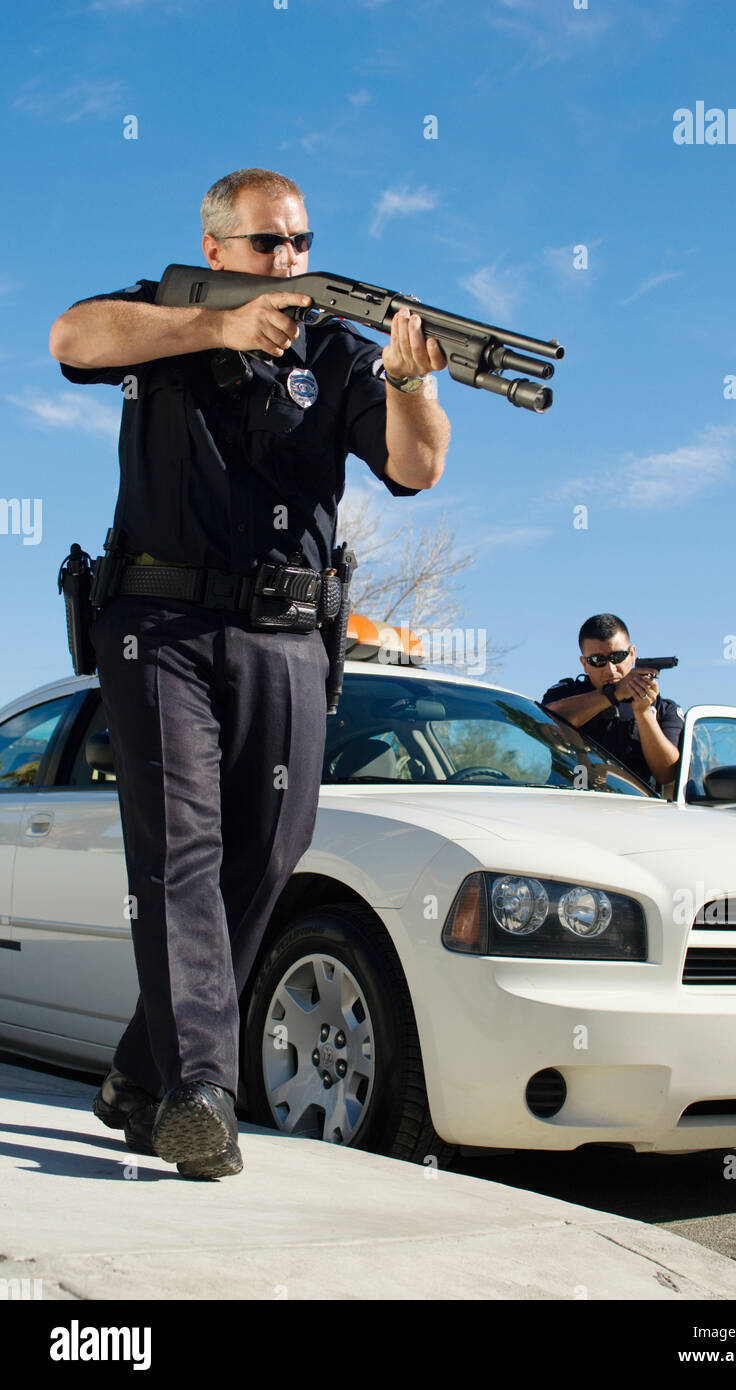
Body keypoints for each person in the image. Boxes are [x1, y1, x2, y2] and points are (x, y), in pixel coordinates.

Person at [48, 167, 450, 1179]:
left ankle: (144, 1068)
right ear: (217, 251)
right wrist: (218, 332)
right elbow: (72, 338)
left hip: (285, 635)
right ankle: (199, 1096)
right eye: (268, 244)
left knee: (266, 853)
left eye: (302, 242)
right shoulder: (163, 316)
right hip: (160, 628)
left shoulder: (338, 352)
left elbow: (414, 466)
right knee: (182, 847)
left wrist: (413, 380)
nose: (290, 261)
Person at [541, 613, 683, 789]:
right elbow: (546, 720)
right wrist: (612, 694)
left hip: (635, 809)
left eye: (617, 657)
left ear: (632, 654)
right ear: (584, 663)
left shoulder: (663, 708)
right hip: (568, 803)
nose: (610, 668)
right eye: (597, 660)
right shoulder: (565, 693)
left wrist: (643, 712)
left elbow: (666, 774)